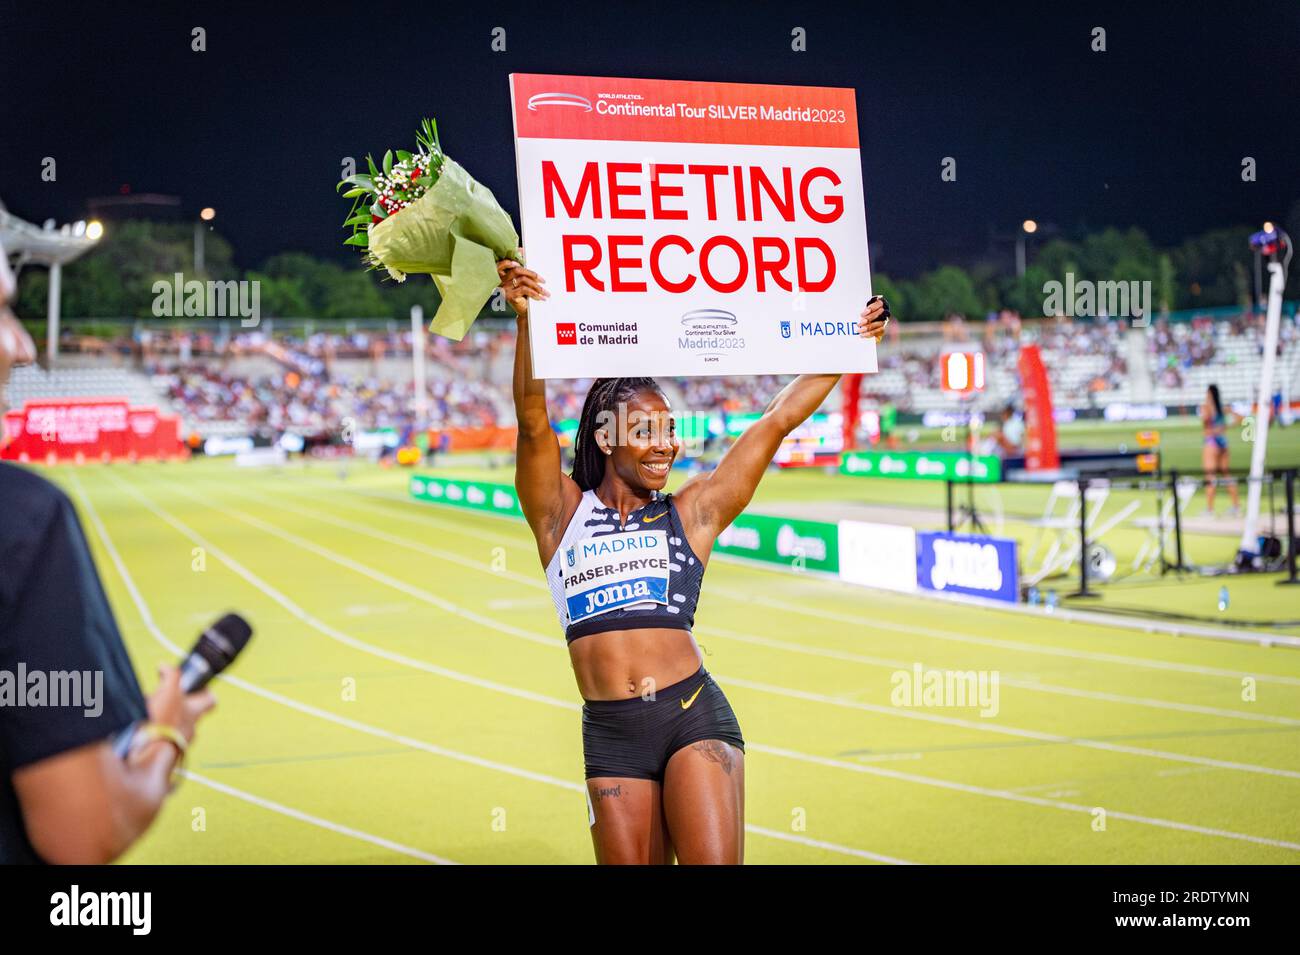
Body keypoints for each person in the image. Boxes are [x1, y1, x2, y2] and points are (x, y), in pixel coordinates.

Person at [499, 254, 889, 864]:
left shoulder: (692, 512)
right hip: (611, 734)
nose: (666, 444)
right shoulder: (559, 514)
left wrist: (851, 340)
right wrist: (527, 323)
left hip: (692, 718)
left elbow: (778, 419)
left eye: (670, 427)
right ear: (606, 437)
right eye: (647, 429)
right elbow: (530, 423)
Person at [0, 246, 216, 864]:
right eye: (3, 311)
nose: (23, 347)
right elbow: (84, 833)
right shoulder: (23, 522)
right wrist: (168, 733)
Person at [1201, 383, 1239, 516]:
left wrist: (1214, 428)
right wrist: (1224, 427)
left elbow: (1206, 423)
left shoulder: (1206, 407)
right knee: (1227, 475)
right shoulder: (1223, 408)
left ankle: (1210, 510)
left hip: (1211, 443)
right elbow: (1240, 418)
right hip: (1223, 442)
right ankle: (1236, 507)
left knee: (1210, 477)